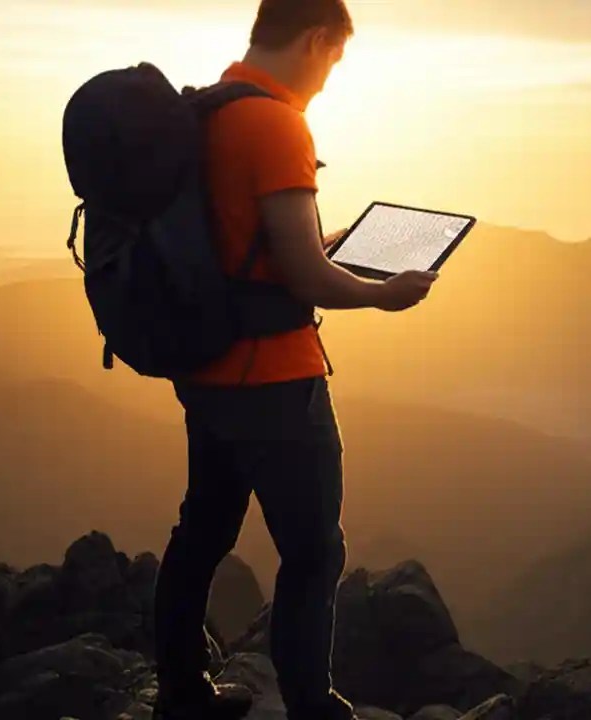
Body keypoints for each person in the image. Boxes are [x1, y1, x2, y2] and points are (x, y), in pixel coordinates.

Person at [151, 1, 437, 718]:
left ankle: (181, 691)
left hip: (207, 368)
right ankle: (312, 705)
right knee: (313, 552)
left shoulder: (208, 110)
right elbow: (307, 279)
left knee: (203, 531)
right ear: (315, 40)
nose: (330, 77)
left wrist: (321, 240)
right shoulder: (277, 123)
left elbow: (249, 241)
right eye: (334, 59)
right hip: (275, 378)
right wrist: (384, 294)